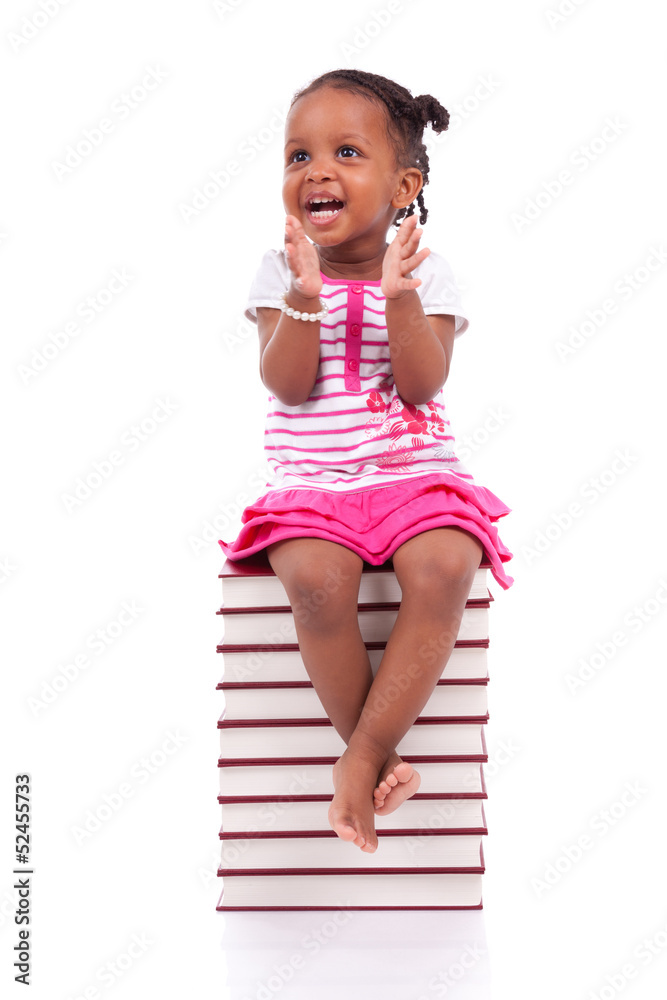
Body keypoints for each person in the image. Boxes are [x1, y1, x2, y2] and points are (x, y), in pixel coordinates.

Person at [218, 68, 514, 854]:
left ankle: (355, 763)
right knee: (316, 580)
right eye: (296, 155)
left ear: (403, 183)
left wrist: (400, 298)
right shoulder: (280, 272)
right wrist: (305, 301)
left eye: (345, 151)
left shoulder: (426, 271)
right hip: (312, 483)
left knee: (447, 564)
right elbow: (285, 381)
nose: (314, 170)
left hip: (411, 475)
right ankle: (375, 755)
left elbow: (422, 385)